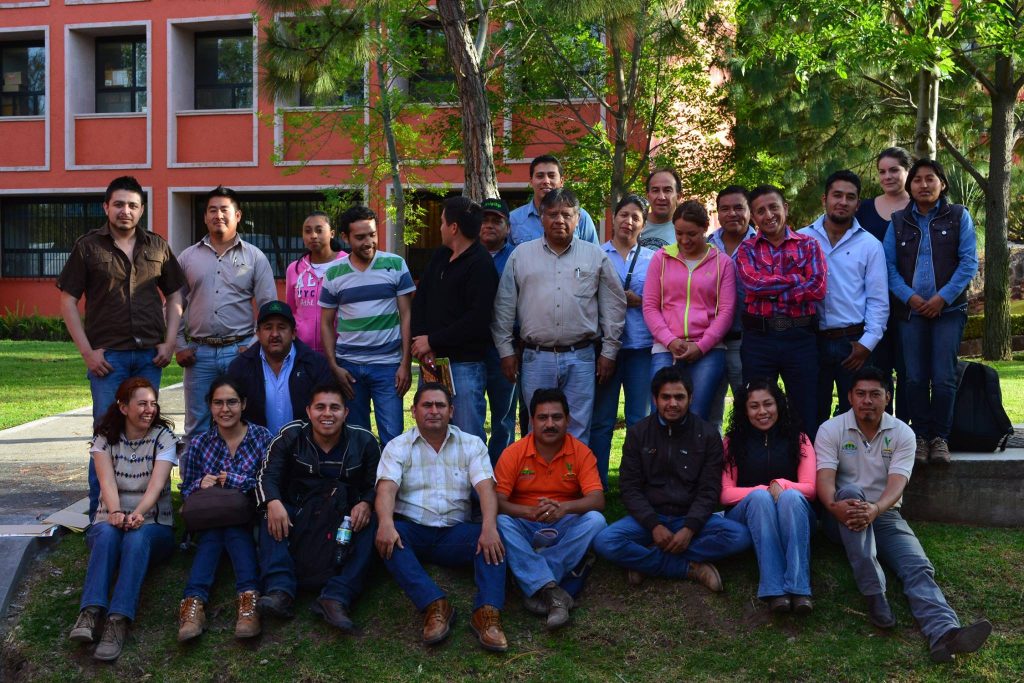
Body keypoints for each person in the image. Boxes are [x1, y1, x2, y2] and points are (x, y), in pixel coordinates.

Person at [816, 367, 992, 662]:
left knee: (917, 566)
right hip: (840, 516)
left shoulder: (903, 433)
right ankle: (875, 594)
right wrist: (835, 508)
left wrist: (876, 510)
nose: (867, 401)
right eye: (860, 394)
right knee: (850, 495)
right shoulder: (831, 429)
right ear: (849, 397)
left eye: (875, 394)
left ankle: (944, 634)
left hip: (885, 514)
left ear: (887, 397)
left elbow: (898, 483)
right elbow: (824, 479)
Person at [57, 176, 186, 519]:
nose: (125, 211)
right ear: (106, 207)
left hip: (149, 357)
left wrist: (170, 341)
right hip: (107, 359)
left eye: (132, 205)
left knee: (145, 428)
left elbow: (175, 295)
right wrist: (87, 352)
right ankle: (100, 511)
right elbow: (68, 301)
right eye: (118, 204)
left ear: (142, 209)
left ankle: (145, 508)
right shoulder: (88, 247)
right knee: (106, 430)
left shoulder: (157, 246)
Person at [374, 383, 508, 652]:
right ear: (414, 411)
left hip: (455, 535)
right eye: (427, 405)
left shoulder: (471, 444)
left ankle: (487, 615)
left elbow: (486, 488)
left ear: (451, 411)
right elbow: (386, 488)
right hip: (412, 532)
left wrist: (489, 526)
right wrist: (386, 524)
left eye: (440, 405)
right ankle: (435, 605)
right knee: (385, 536)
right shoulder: (397, 446)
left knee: (496, 537)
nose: (433, 411)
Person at [593, 367, 749, 590]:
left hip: (691, 518)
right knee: (604, 541)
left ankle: (645, 559)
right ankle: (690, 568)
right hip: (648, 520)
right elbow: (629, 487)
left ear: (691, 398)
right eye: (666, 397)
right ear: (655, 399)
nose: (673, 403)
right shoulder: (638, 433)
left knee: (740, 537)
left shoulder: (707, 435)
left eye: (679, 397)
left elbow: (709, 489)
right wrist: (653, 525)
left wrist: (689, 528)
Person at [492, 188, 627, 442]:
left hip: (582, 357)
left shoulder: (594, 256)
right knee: (538, 426)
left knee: (578, 428)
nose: (559, 220)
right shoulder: (521, 255)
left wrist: (609, 352)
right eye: (552, 214)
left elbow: (614, 307)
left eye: (567, 214)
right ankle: (540, 482)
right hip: (535, 357)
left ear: (578, 218)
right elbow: (504, 307)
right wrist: (506, 351)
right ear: (541, 217)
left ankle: (573, 482)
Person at [254, 383, 381, 633]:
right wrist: (273, 502)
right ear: (308, 411)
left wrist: (366, 502)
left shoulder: (364, 440)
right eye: (320, 407)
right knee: (272, 513)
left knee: (374, 522)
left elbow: (380, 481)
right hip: (299, 511)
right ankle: (280, 591)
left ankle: (336, 597)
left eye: (335, 408)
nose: (327, 414)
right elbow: (266, 476)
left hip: (344, 516)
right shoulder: (290, 435)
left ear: (346, 412)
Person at [69, 377, 177, 662]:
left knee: (137, 538)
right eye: (142, 403)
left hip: (154, 525)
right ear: (122, 407)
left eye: (153, 404)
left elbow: (157, 485)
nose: (149, 409)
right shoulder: (104, 439)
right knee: (105, 534)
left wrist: (139, 513)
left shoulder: (163, 437)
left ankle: (117, 621)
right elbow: (107, 484)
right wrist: (116, 512)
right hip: (110, 520)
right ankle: (90, 613)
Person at [883, 158, 978, 465]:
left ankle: (940, 438)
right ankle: (920, 437)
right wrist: (910, 298)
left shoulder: (958, 216)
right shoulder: (898, 222)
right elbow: (888, 266)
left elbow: (968, 263)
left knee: (943, 376)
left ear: (943, 183)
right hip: (910, 313)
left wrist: (942, 299)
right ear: (909, 186)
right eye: (917, 180)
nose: (924, 185)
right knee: (912, 377)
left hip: (948, 312)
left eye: (930, 179)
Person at [495, 388, 606, 630]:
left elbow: (597, 499)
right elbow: (498, 502)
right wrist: (527, 512)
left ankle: (531, 574)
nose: (550, 424)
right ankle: (556, 592)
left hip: (563, 523)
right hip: (525, 523)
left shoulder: (580, 452)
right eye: (542, 418)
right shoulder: (513, 453)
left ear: (568, 420)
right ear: (531, 420)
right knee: (501, 522)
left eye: (556, 417)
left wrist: (564, 508)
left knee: (596, 520)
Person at [175, 186, 276, 443]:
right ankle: (194, 483)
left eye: (224, 209)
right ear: (205, 217)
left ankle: (244, 481)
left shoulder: (255, 257)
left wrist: (253, 346)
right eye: (212, 210)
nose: (218, 215)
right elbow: (174, 303)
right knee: (197, 425)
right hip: (199, 355)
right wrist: (179, 344)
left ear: (238, 215)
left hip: (240, 351)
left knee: (246, 420)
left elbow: (268, 308)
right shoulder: (188, 257)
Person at [177, 377, 273, 642]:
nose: (225, 409)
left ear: (243, 404)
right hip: (212, 517)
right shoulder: (199, 444)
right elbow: (185, 490)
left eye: (231, 402)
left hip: (249, 515)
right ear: (210, 406)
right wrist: (200, 483)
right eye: (218, 403)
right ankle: (245, 601)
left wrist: (231, 481)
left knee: (229, 526)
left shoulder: (262, 437)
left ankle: (194, 601)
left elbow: (269, 483)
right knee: (220, 528)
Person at [736, 184, 828, 440]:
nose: (768, 215)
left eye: (773, 207)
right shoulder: (747, 249)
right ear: (754, 217)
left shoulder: (809, 245)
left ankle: (805, 475)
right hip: (759, 339)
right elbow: (752, 283)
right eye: (761, 211)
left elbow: (818, 287)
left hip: (800, 338)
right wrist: (797, 280)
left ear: (785, 208)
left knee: (805, 410)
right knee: (757, 407)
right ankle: (760, 470)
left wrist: (772, 287)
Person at [319, 205, 415, 446]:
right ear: (345, 237)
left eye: (372, 234)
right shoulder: (334, 273)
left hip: (388, 367)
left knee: (393, 437)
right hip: (349, 369)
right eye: (360, 237)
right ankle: (362, 485)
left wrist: (405, 364)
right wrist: (334, 366)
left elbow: (407, 315)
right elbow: (326, 323)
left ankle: (392, 484)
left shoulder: (395, 265)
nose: (368, 241)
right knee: (355, 439)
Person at [798, 170, 888, 426]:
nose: (843, 202)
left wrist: (866, 344)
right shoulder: (802, 239)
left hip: (853, 343)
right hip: (810, 341)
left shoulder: (870, 245)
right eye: (837, 195)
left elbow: (878, 300)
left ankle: (857, 466)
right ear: (824, 199)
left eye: (850, 197)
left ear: (858, 204)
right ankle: (814, 466)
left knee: (859, 417)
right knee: (811, 413)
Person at [721, 379, 816, 614]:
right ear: (745, 409)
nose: (762, 412)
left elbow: (811, 488)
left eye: (768, 404)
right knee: (761, 499)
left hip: (794, 514)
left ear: (779, 405)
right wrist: (764, 490)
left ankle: (799, 588)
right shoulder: (732, 443)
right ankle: (774, 590)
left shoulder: (799, 438)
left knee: (791, 497)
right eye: (754, 406)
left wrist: (781, 485)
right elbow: (725, 494)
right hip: (749, 515)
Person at [410, 196, 499, 442]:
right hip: (431, 363)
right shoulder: (440, 256)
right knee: (429, 433)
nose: (439, 228)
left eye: (441, 222)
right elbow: (421, 300)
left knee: (466, 436)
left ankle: (474, 482)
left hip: (465, 366)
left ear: (454, 227)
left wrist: (433, 341)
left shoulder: (481, 264)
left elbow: (477, 319)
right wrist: (421, 344)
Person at [643, 200, 735, 420]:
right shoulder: (662, 258)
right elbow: (650, 306)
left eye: (691, 234)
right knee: (663, 413)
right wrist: (669, 340)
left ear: (705, 228)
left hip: (708, 350)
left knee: (697, 414)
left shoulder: (723, 263)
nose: (684, 240)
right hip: (666, 348)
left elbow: (726, 311)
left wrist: (701, 346)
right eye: (679, 233)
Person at [590, 194, 655, 488]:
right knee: (602, 420)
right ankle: (598, 485)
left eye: (636, 218)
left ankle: (635, 485)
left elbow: (662, 300)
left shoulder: (654, 259)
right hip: (606, 349)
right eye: (623, 215)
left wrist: (640, 301)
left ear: (643, 225)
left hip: (641, 348)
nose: (628, 222)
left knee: (638, 421)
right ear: (613, 218)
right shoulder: (595, 255)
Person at [856, 147, 912, 420]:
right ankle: (880, 427)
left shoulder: (919, 207)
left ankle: (906, 430)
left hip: (910, 304)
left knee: (909, 370)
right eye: (882, 171)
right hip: (873, 305)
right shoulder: (864, 209)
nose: (887, 176)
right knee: (878, 369)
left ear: (907, 171)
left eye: (894, 170)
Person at [226, 300, 333, 435]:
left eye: (282, 327)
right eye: (268, 327)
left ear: (293, 333)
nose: (275, 334)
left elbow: (328, 413)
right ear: (258, 333)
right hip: (256, 450)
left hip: (305, 450)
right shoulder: (240, 367)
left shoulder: (316, 365)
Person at [707, 186, 756, 433]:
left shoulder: (762, 244)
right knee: (709, 413)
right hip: (709, 342)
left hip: (745, 341)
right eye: (725, 209)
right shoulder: (705, 246)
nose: (732, 214)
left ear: (749, 211)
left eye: (738, 207)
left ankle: (748, 466)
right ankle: (713, 468)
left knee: (749, 410)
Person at [479, 197, 518, 463]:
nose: (489, 225)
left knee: (504, 417)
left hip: (506, 348)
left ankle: (501, 476)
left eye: (497, 221)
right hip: (470, 348)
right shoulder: (464, 254)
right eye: (484, 220)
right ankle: (475, 477)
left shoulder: (519, 258)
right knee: (470, 415)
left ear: (508, 227)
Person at [286, 210, 346, 356]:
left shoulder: (347, 265)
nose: (313, 236)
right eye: (307, 231)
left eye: (319, 230)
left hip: (340, 351)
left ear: (332, 233)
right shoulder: (294, 268)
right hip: (302, 352)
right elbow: (291, 310)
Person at [509, 154, 601, 246]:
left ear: (561, 181)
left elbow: (594, 256)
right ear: (531, 181)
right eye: (540, 176)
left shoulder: (580, 217)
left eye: (551, 176)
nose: (546, 181)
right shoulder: (514, 219)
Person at [638, 168, 681, 250]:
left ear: (678, 197)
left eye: (667, 190)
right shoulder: (635, 226)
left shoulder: (687, 230)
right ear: (648, 196)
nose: (661, 197)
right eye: (655, 190)